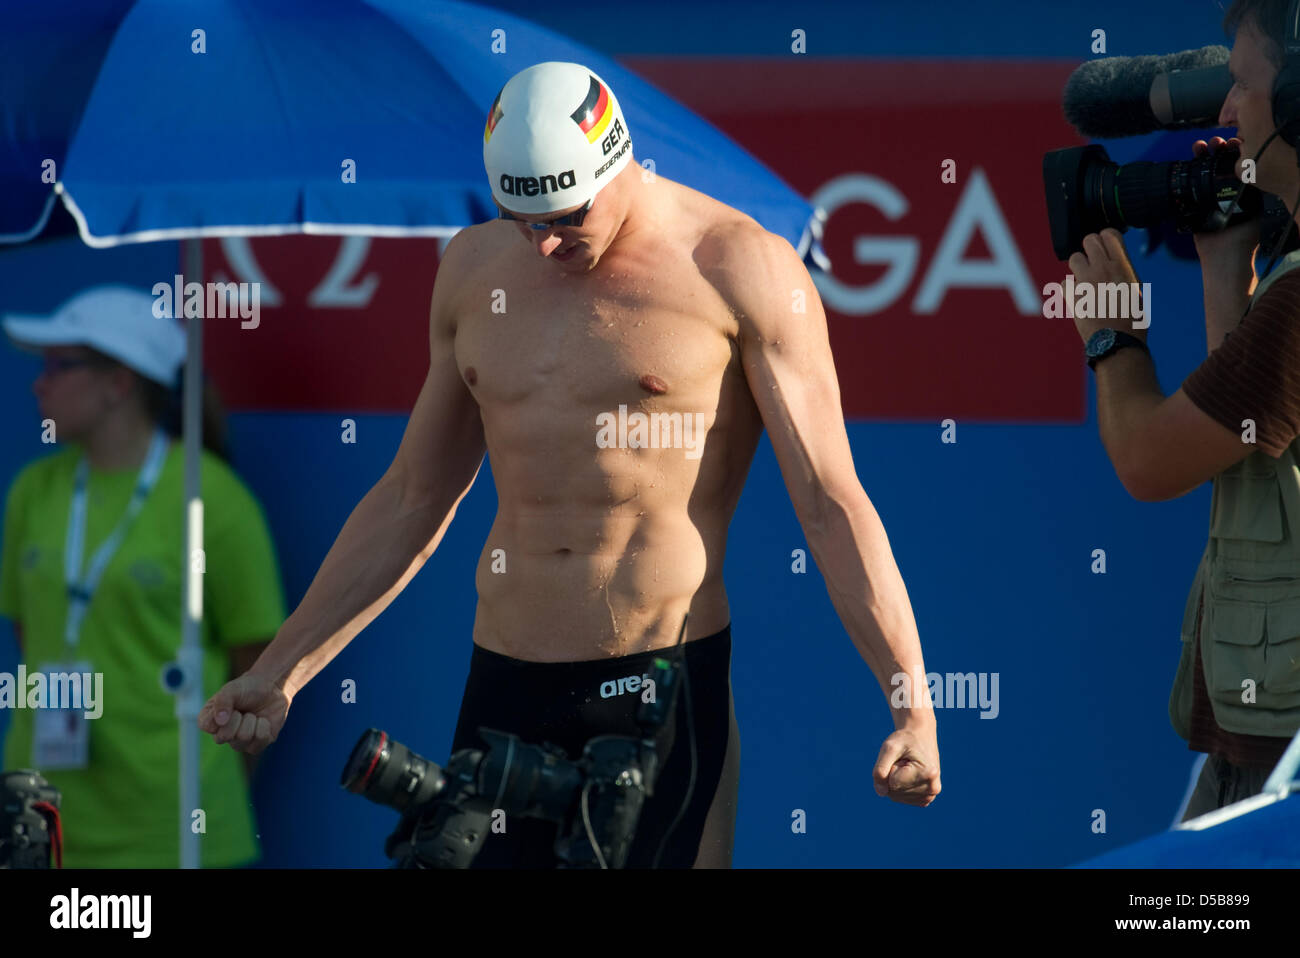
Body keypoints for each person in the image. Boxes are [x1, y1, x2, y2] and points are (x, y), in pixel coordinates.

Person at [199, 61, 941, 867]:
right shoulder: (474, 268)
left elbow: (831, 502)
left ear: (617, 160)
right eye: (521, 219)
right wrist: (282, 673)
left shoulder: (737, 268)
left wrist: (912, 704)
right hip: (504, 688)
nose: (545, 243)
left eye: (564, 216)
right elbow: (414, 495)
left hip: (656, 691)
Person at [1067, 0, 1300, 822]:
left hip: (1281, 767)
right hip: (1261, 743)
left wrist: (1111, 338)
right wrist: (1223, 266)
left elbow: (1148, 459)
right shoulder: (1286, 279)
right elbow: (1245, 442)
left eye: (1242, 85)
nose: (1228, 114)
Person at [0, 285, 286, 866]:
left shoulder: (214, 499)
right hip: (44, 822)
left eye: (61, 364)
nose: (40, 381)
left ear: (119, 383)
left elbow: (258, 670)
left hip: (174, 829)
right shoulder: (33, 490)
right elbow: (32, 634)